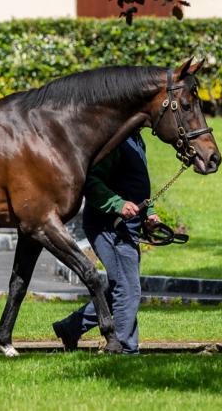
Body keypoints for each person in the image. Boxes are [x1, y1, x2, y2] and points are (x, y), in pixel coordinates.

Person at [52, 129, 160, 354]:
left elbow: (138, 183)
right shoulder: (115, 141)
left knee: (121, 285)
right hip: (108, 225)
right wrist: (117, 203)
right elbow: (90, 182)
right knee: (128, 287)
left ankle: (71, 327)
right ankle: (125, 349)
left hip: (128, 226)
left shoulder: (136, 139)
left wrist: (149, 212)